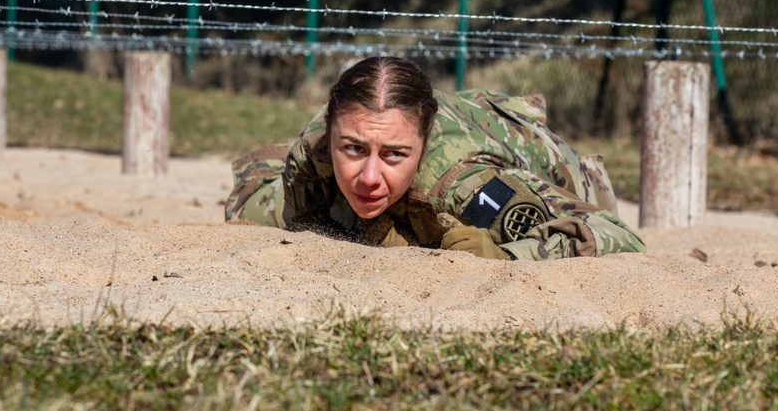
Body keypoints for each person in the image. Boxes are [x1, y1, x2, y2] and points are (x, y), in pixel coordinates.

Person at [225, 56, 645, 260]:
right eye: (353, 149)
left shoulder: (468, 185)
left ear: (422, 147)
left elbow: (620, 236)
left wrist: (507, 256)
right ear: (330, 132)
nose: (368, 176)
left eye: (394, 155)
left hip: (560, 174)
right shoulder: (312, 150)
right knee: (251, 202)